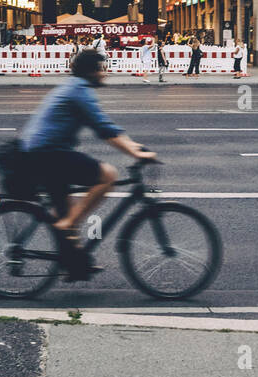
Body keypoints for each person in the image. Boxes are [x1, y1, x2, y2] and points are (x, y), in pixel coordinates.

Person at [17, 49, 156, 280]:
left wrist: (135, 147)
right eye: (102, 69)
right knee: (108, 175)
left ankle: (75, 264)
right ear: (91, 71)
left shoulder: (73, 86)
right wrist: (135, 151)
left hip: (40, 153)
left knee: (67, 210)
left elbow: (106, 128)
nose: (105, 74)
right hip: (48, 153)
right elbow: (104, 129)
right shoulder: (79, 90)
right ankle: (69, 226)